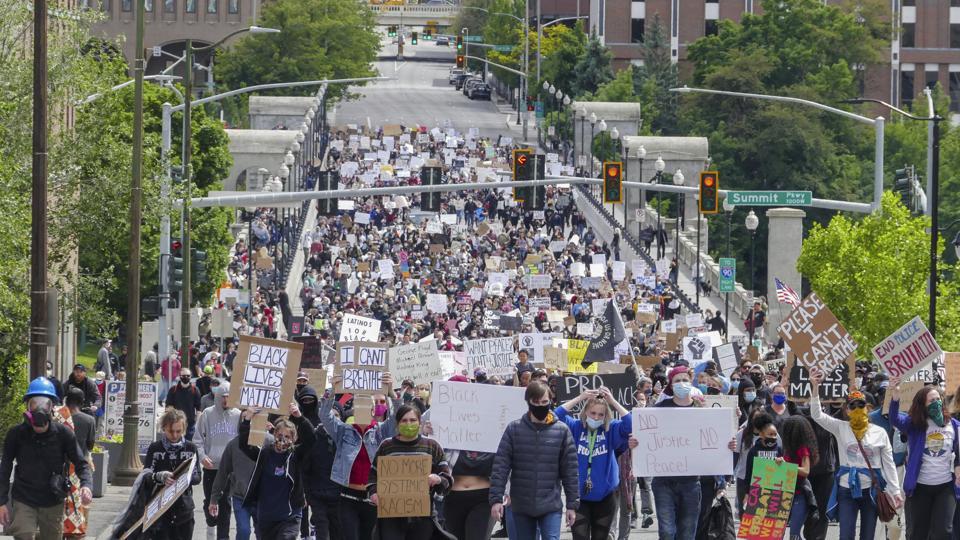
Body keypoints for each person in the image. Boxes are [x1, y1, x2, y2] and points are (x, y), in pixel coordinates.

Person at [809, 370, 902, 540]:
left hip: (872, 491)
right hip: (846, 490)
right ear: (847, 410)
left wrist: (895, 491)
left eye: (861, 405)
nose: (857, 408)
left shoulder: (880, 432)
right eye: (853, 406)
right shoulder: (841, 428)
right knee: (846, 535)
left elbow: (888, 463)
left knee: (867, 536)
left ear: (867, 408)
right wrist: (815, 387)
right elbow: (816, 415)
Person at [0, 378, 93, 540]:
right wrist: (1, 502)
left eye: (45, 404)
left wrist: (86, 485)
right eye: (34, 403)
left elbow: (81, 463)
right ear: (28, 406)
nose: (39, 408)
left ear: (52, 407)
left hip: (52, 499)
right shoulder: (16, 434)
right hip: (24, 497)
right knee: (23, 534)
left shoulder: (64, 434)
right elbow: (5, 468)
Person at [490, 380, 580, 540]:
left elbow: (570, 471)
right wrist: (496, 499)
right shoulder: (514, 429)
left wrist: (572, 505)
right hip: (521, 505)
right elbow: (500, 467)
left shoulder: (562, 431)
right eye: (536, 402)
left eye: (544, 402)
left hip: (550, 505)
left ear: (551, 401)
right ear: (528, 402)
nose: (540, 406)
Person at [320, 374, 398, 540]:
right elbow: (324, 415)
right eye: (358, 405)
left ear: (372, 410)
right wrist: (333, 391)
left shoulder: (380, 431)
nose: (361, 408)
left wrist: (391, 392)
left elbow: (398, 417)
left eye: (366, 405)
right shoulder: (343, 430)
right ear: (353, 409)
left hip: (373, 498)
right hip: (347, 498)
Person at [556, 387, 634, 540]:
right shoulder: (575, 427)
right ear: (585, 412)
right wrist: (580, 398)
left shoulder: (611, 428)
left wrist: (612, 402)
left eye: (601, 414)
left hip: (606, 495)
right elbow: (554, 416)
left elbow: (631, 424)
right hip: (579, 497)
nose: (596, 418)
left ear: (606, 416)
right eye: (593, 413)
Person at [887, 380, 960, 540]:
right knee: (918, 532)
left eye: (938, 399)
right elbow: (894, 419)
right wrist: (896, 395)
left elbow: (959, 452)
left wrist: (957, 465)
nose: (936, 403)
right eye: (931, 401)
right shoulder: (914, 425)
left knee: (944, 531)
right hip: (920, 487)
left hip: (945, 487)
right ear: (923, 405)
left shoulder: (954, 425)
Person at [368, 404, 453, 539]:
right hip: (391, 516)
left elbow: (447, 479)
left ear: (420, 422)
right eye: (404, 420)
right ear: (397, 424)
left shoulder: (432, 446)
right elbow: (373, 475)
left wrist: (438, 479)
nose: (409, 424)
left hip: (423, 516)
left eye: (412, 420)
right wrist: (373, 493)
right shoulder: (386, 446)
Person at [236, 404, 316, 539]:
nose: (283, 439)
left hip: (289, 517)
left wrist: (299, 417)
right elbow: (244, 445)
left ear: (294, 439)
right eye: (280, 435)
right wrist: (247, 420)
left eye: (287, 436)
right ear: (274, 435)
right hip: (266, 516)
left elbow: (311, 440)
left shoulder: (295, 455)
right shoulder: (265, 453)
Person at [142, 409, 202, 539]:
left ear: (184, 429)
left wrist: (183, 479)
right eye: (170, 431)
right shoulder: (155, 448)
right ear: (164, 429)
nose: (175, 435)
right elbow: (146, 476)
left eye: (178, 431)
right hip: (160, 511)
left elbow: (197, 477)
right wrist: (160, 477)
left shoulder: (191, 448)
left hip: (184, 510)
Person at [193, 383, 240, 540]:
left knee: (225, 504)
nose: (226, 400)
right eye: (223, 396)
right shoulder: (207, 414)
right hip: (211, 466)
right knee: (210, 503)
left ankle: (223, 538)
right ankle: (210, 516)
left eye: (229, 396)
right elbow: (197, 439)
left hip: (229, 469)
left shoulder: (238, 415)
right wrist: (202, 456)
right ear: (218, 397)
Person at [209, 433, 258, 540]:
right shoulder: (233, 445)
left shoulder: (269, 442)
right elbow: (222, 472)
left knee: (262, 533)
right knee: (244, 530)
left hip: (262, 499)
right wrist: (214, 498)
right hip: (240, 497)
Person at [780, 415, 820, 539]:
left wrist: (787, 466)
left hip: (800, 494)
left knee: (794, 534)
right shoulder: (787, 449)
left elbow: (805, 470)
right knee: (776, 532)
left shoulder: (803, 449)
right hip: (785, 493)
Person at [166, 367, 202, 440]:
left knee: (188, 445)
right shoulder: (173, 390)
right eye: (183, 375)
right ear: (180, 376)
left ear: (191, 377)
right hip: (176, 423)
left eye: (188, 376)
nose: (185, 377)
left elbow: (198, 408)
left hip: (190, 424)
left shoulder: (195, 390)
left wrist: (197, 422)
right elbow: (168, 406)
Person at [65, 388, 96, 459]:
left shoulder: (57, 418)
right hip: (79, 464)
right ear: (82, 402)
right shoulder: (89, 420)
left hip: (60, 464)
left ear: (66, 401)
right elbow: (90, 445)